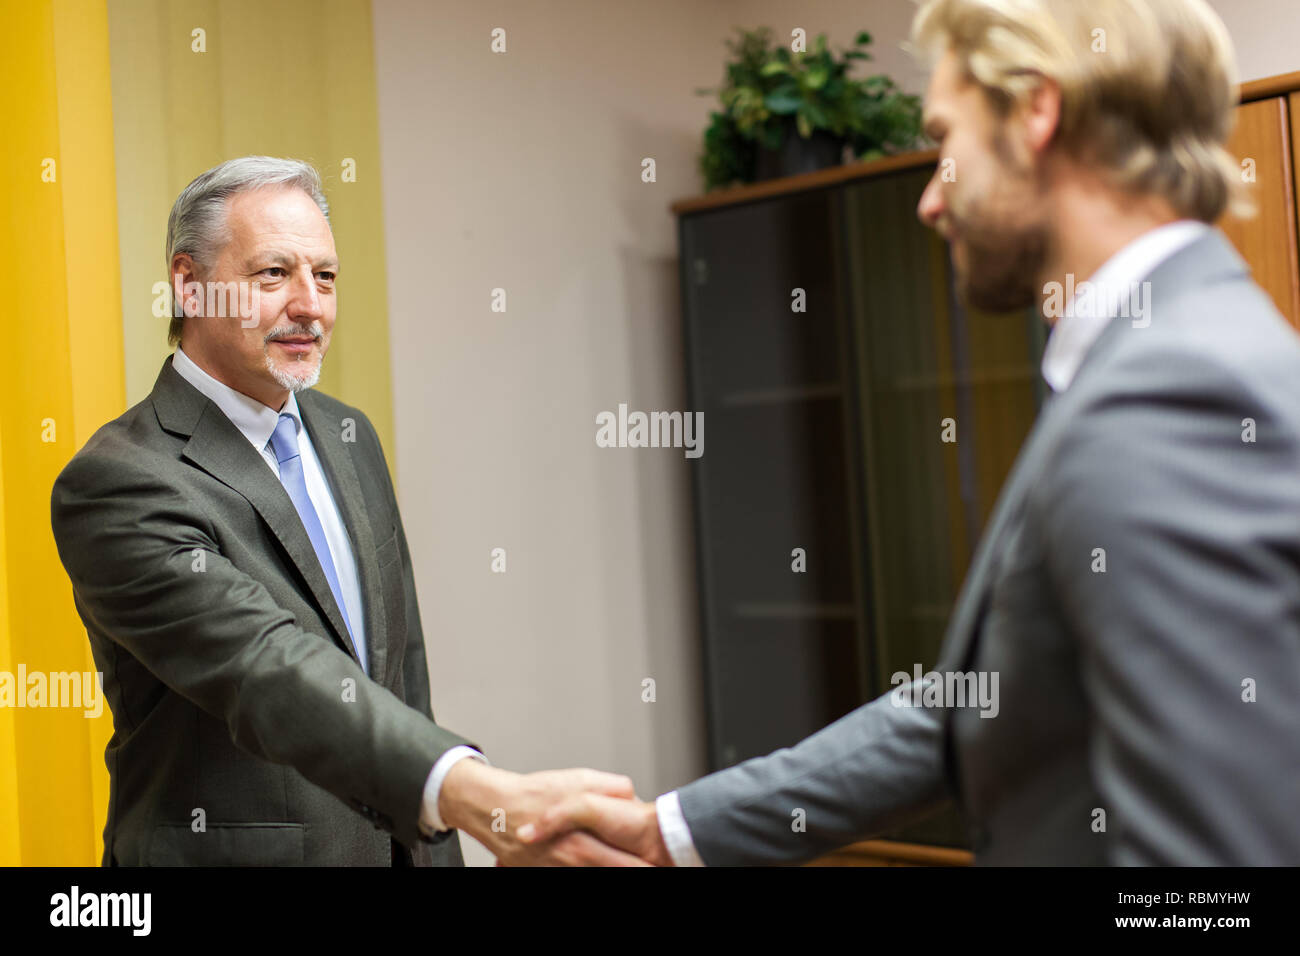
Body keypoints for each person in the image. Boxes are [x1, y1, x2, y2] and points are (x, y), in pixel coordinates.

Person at [518, 0, 1300, 866]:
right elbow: (982, 703)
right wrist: (671, 833)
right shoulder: (1155, 361)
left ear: (1036, 111)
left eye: (944, 143)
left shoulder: (1171, 392)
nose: (930, 200)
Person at [50, 156, 644, 866]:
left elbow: (403, 676)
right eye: (273, 274)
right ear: (189, 284)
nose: (310, 305)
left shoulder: (346, 434)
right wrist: (475, 792)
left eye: (325, 276)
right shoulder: (120, 480)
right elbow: (263, 666)